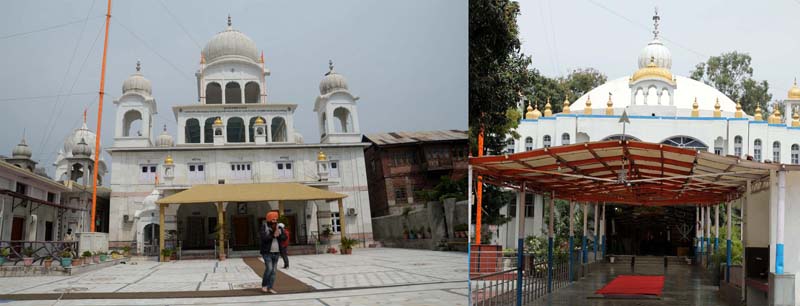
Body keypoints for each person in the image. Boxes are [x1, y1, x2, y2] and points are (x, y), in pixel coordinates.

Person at [260, 211, 286, 294]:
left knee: (274, 271)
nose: (275, 221)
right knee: (269, 269)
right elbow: (264, 238)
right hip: (267, 252)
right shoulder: (264, 227)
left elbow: (284, 238)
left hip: (276, 252)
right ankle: (264, 285)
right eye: (273, 219)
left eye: (276, 219)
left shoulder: (279, 227)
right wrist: (273, 235)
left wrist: (280, 234)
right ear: (269, 219)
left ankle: (270, 287)